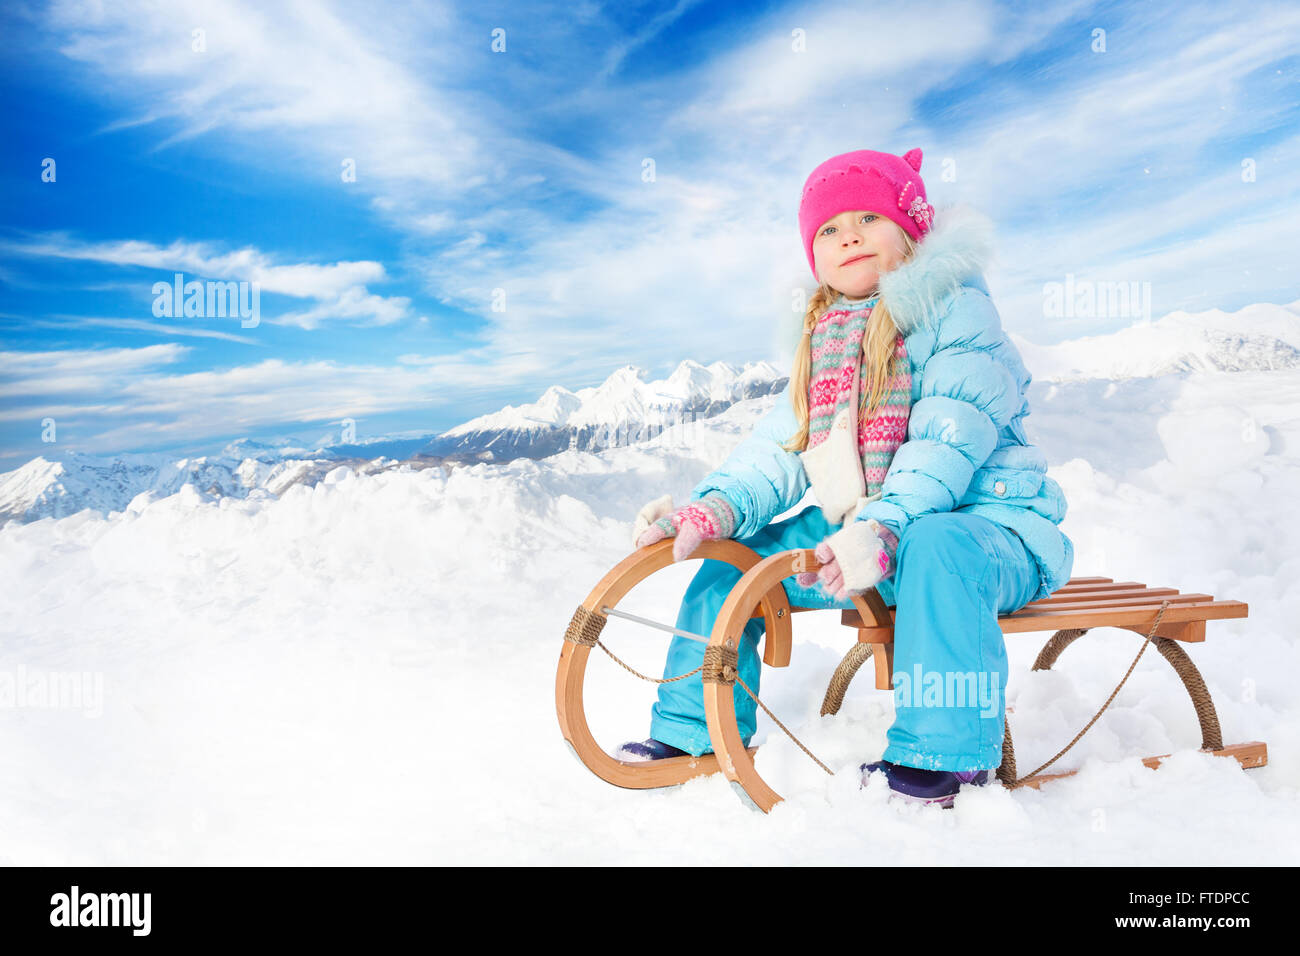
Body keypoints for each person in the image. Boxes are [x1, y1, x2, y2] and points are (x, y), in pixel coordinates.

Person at [620, 148, 1074, 808]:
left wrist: (885, 524)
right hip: (866, 536)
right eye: (829, 229)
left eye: (869, 216)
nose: (849, 235)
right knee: (732, 567)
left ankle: (942, 757)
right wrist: (714, 508)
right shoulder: (824, 339)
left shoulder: (958, 314)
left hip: (986, 532)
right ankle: (695, 729)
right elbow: (781, 446)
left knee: (936, 544)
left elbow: (949, 436)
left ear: (912, 229)